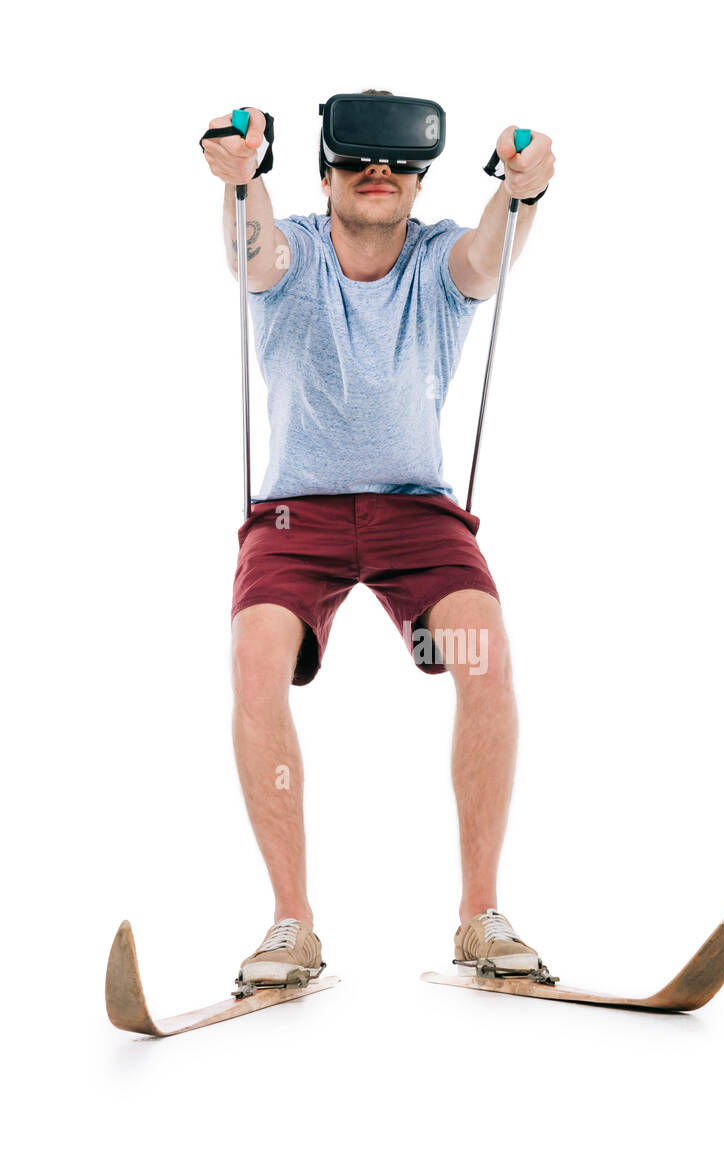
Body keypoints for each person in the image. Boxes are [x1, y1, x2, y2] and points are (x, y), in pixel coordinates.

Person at [200, 92, 556, 987]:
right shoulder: (296, 250)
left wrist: (525, 190)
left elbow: (489, 251)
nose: (378, 174)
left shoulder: (438, 259)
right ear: (325, 174)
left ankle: (480, 916)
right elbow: (254, 249)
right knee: (254, 662)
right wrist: (242, 179)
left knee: (482, 657)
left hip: (415, 519)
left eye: (397, 165)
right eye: (358, 161)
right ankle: (292, 924)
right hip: (297, 521)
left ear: (416, 179)